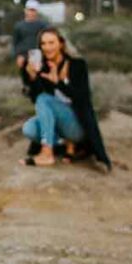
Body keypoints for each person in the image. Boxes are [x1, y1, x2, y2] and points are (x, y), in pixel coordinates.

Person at [18, 27, 112, 171]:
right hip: (58, 125)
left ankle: (48, 153)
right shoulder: (43, 66)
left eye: (51, 43)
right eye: (43, 44)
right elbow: (36, 99)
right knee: (29, 129)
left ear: (61, 43)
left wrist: (59, 83)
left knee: (45, 99)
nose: (47, 48)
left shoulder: (77, 65)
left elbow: (83, 98)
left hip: (77, 125)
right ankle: (66, 146)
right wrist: (32, 77)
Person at [11, 0, 47, 70]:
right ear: (25, 10)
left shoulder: (42, 25)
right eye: (30, 10)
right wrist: (17, 55)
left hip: (36, 53)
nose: (31, 12)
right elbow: (15, 42)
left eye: (34, 10)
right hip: (23, 54)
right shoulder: (18, 26)